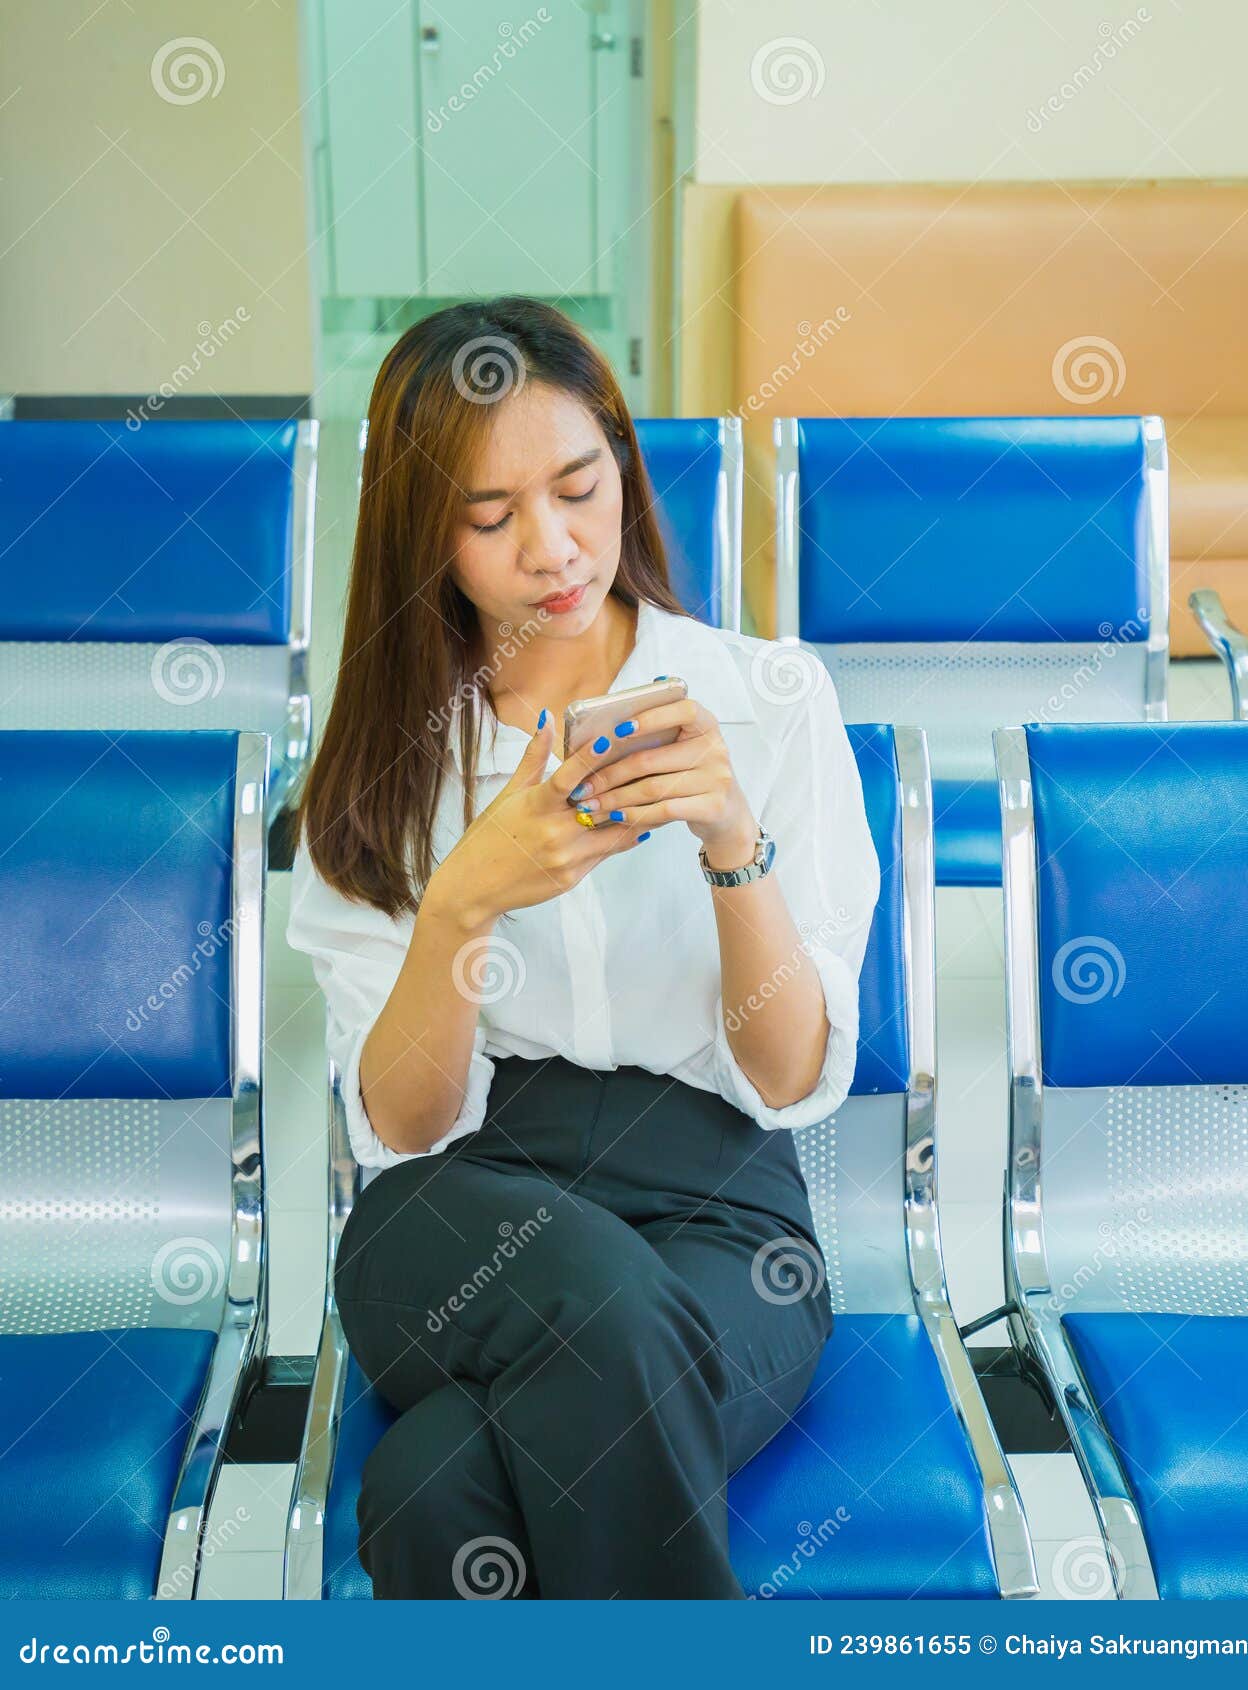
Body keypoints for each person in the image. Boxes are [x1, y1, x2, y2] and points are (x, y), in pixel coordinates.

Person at [286, 296, 879, 1599]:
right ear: (420, 535)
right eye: (491, 518)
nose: (553, 548)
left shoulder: (767, 700)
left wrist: (732, 840)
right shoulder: (388, 759)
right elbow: (396, 1116)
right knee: (594, 1294)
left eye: (578, 487)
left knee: (437, 1486)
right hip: (455, 1206)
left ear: (623, 463)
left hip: (721, 1216)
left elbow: (786, 1081)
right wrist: (459, 906)